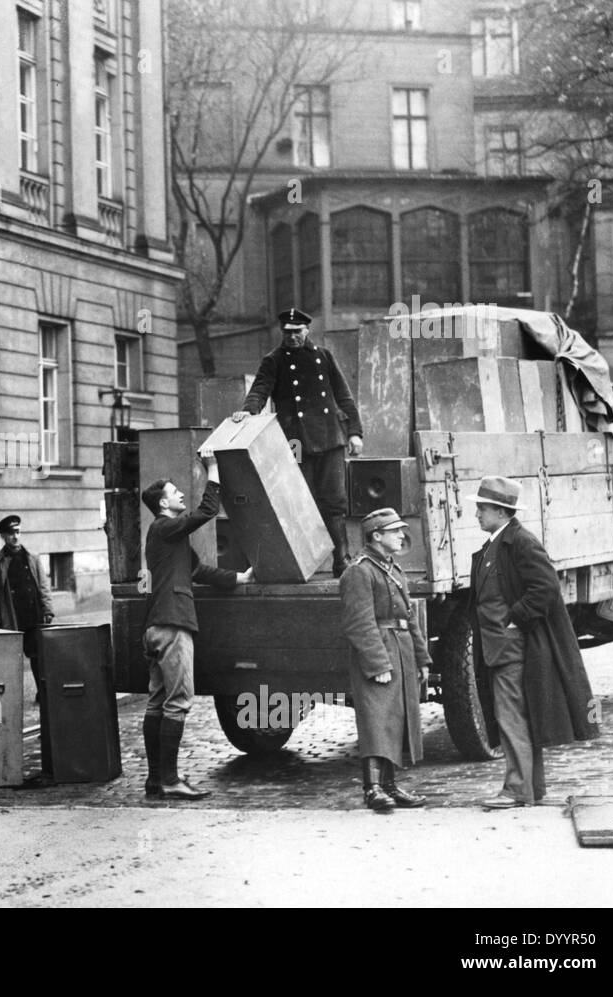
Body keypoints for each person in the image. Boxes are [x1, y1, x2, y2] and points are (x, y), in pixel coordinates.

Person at [465, 476, 600, 809]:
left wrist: (515, 618)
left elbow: (545, 587)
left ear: (499, 511)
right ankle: (531, 788)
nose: (477, 514)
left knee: (511, 718)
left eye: (481, 508)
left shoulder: (520, 542)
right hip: (498, 647)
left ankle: (515, 790)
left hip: (511, 648)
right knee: (517, 718)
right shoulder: (494, 545)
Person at [140, 457, 252, 799]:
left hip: (158, 625)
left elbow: (198, 571)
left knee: (158, 702)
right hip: (173, 626)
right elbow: (205, 512)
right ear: (163, 503)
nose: (181, 497)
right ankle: (171, 781)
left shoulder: (167, 537)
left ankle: (156, 780)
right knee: (178, 701)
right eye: (175, 493)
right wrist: (214, 471)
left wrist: (238, 577)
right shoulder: (164, 527)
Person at [232, 307, 363, 577]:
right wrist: (249, 409)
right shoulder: (274, 360)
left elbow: (344, 396)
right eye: (287, 332)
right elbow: (260, 388)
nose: (292, 337)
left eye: (297, 332)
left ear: (307, 330)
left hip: (330, 438)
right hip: (296, 442)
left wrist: (354, 432)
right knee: (299, 500)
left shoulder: (324, 356)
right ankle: (306, 563)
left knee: (335, 501)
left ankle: (342, 560)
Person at [338, 507, 432, 812]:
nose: (402, 536)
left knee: (397, 717)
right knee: (376, 719)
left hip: (401, 649)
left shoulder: (393, 569)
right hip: (379, 651)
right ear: (376, 536)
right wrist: (377, 664)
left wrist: (421, 657)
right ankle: (373, 788)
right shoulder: (359, 571)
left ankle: (390, 785)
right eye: (395, 531)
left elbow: (409, 617)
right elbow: (359, 623)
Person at [0, 514, 55, 776]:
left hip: (35, 626)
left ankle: (48, 729)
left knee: (43, 679)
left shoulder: (32, 559)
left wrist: (48, 612)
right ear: (3, 536)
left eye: (18, 532)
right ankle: (7, 734)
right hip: (11, 628)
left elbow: (43, 589)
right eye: (10, 533)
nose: (15, 537)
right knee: (7, 684)